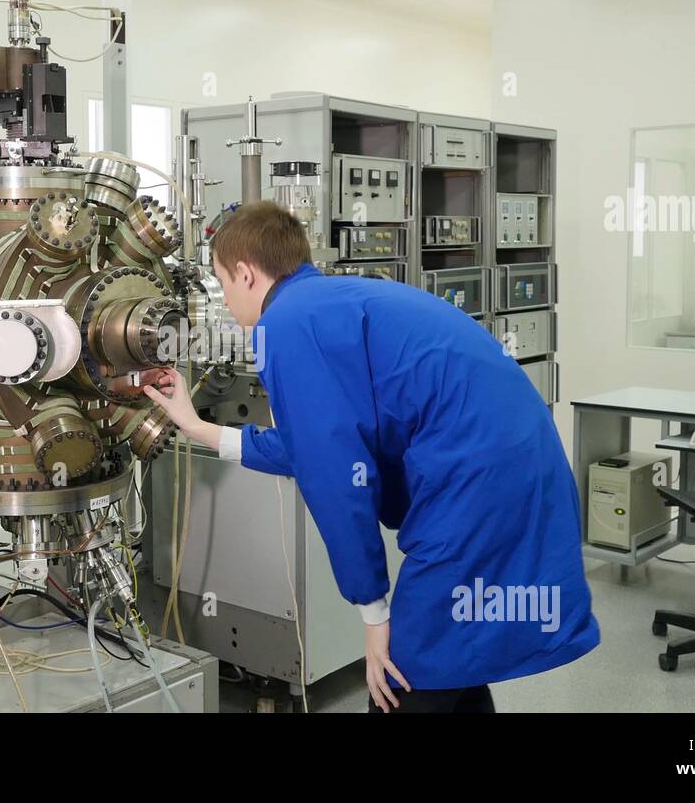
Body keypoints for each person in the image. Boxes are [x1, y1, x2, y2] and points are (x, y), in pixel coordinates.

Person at [143, 201, 599, 713]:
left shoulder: (285, 324)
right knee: (458, 648)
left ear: (246, 273)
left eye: (223, 284)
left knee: (405, 671)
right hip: (514, 460)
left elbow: (337, 478)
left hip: (474, 482)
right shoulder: (328, 299)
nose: (225, 301)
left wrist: (373, 612)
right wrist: (198, 426)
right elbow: (316, 445)